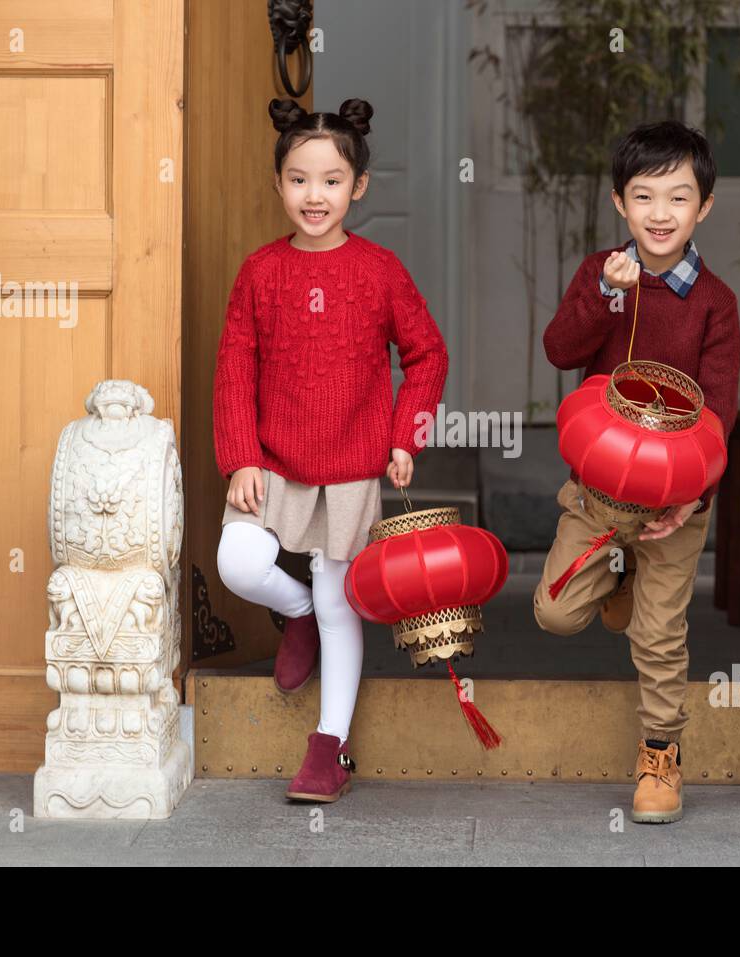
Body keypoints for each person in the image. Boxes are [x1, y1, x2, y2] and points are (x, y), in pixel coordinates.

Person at [213, 97, 448, 803]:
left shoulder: (380, 270)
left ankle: (329, 747)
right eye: (298, 179)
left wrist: (406, 434)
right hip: (275, 462)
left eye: (331, 180)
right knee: (239, 562)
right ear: (279, 183)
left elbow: (428, 354)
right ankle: (299, 615)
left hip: (351, 461)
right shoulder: (259, 272)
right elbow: (234, 366)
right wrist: (240, 455)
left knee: (341, 596)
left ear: (359, 186)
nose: (314, 196)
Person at [533, 120, 740, 824]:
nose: (660, 213)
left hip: (675, 502)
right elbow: (561, 349)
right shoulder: (604, 273)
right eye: (644, 196)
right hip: (598, 490)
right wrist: (603, 294)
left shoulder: (716, 303)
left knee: (659, 632)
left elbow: (720, 408)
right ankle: (613, 573)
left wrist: (696, 496)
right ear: (620, 202)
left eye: (678, 197)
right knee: (555, 611)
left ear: (703, 207)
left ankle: (660, 756)